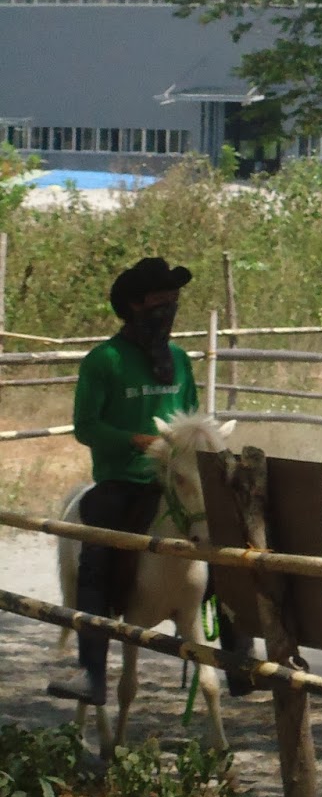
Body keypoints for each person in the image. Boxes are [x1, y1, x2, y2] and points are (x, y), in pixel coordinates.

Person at [49, 257, 199, 705]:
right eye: (161, 300)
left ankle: (240, 653)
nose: (170, 307)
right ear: (135, 305)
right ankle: (92, 672)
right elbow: (86, 427)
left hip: (173, 481)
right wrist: (133, 440)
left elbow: (191, 417)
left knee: (227, 532)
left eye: (175, 300)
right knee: (95, 555)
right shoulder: (104, 361)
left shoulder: (178, 360)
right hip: (121, 482)